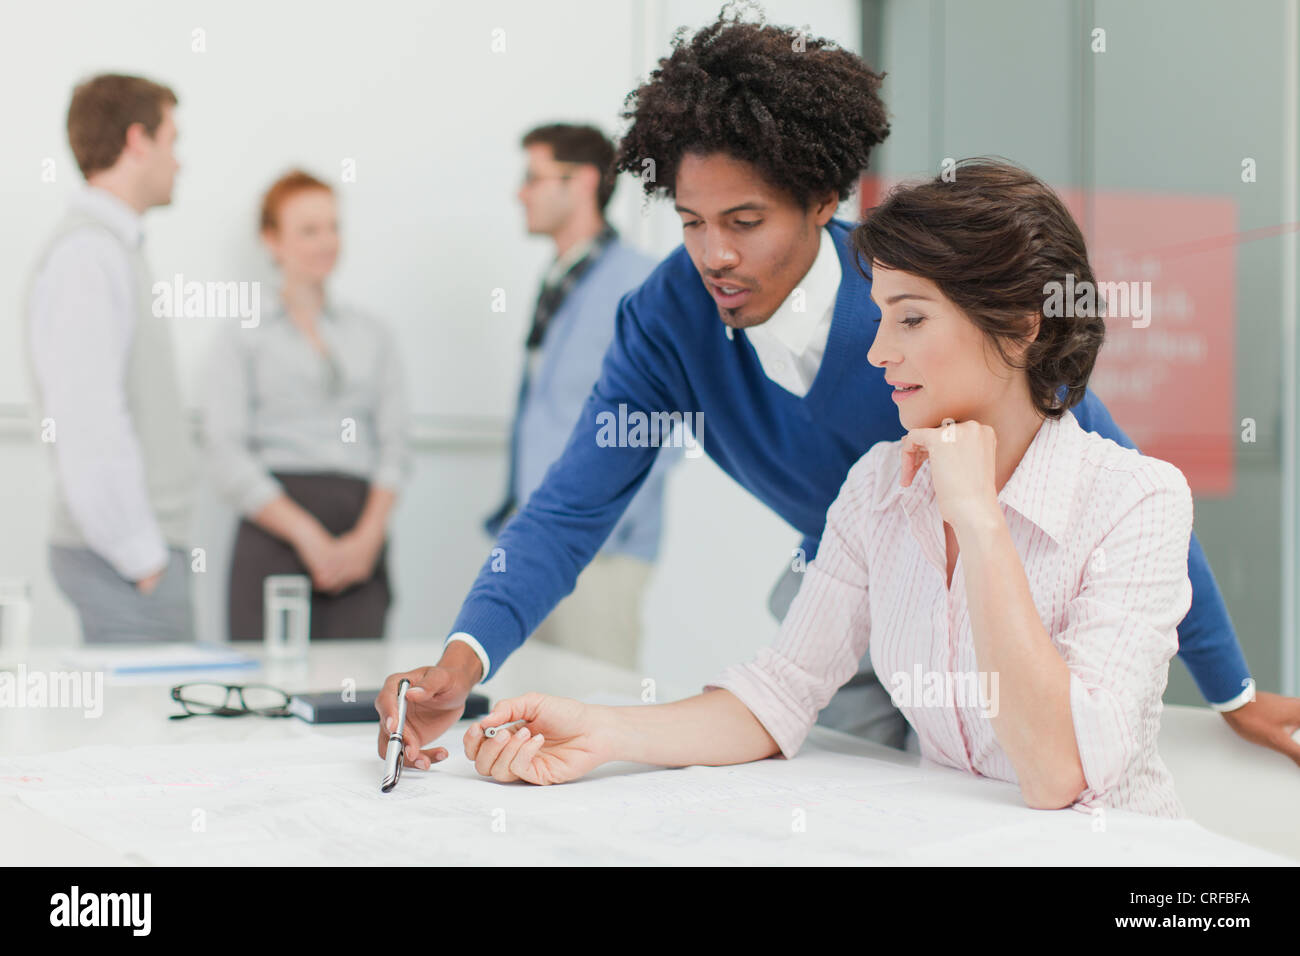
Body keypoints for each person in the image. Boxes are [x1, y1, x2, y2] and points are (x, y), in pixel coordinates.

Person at [377, 9, 1298, 772]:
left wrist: (1234, 691)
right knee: (863, 795)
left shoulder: (920, 307)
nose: (714, 255)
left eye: (745, 221)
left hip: (1004, 599)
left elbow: (1125, 493)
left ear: (823, 201)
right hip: (850, 594)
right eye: (692, 222)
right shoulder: (667, 319)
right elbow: (570, 509)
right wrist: (468, 657)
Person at [461, 159, 1193, 817]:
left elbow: (1056, 772)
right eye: (880, 317)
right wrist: (602, 730)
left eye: (910, 318)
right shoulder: (880, 485)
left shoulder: (1138, 500)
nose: (877, 352)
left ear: (1021, 326)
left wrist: (979, 520)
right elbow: (780, 694)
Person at [483, 123, 668, 669]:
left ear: (583, 181)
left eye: (532, 177)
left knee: (598, 703)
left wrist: (606, 523)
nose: (521, 193)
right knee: (529, 708)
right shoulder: (560, 279)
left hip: (600, 549)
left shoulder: (639, 281)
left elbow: (668, 417)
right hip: (534, 541)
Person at [202, 170, 410, 640]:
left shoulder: (373, 335)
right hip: (274, 530)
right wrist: (306, 536)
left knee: (356, 696)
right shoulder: (242, 336)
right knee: (267, 695)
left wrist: (367, 539)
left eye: (333, 227)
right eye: (309, 230)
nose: (327, 241)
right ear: (271, 240)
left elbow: (395, 447)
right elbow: (225, 451)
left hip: (359, 534)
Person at [25, 73, 196, 643]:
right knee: (144, 732)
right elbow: (88, 423)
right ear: (137, 140)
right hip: (126, 564)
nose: (181, 162)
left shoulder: (112, 250)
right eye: (173, 141)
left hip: (132, 558)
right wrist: (143, 559)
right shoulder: (88, 256)